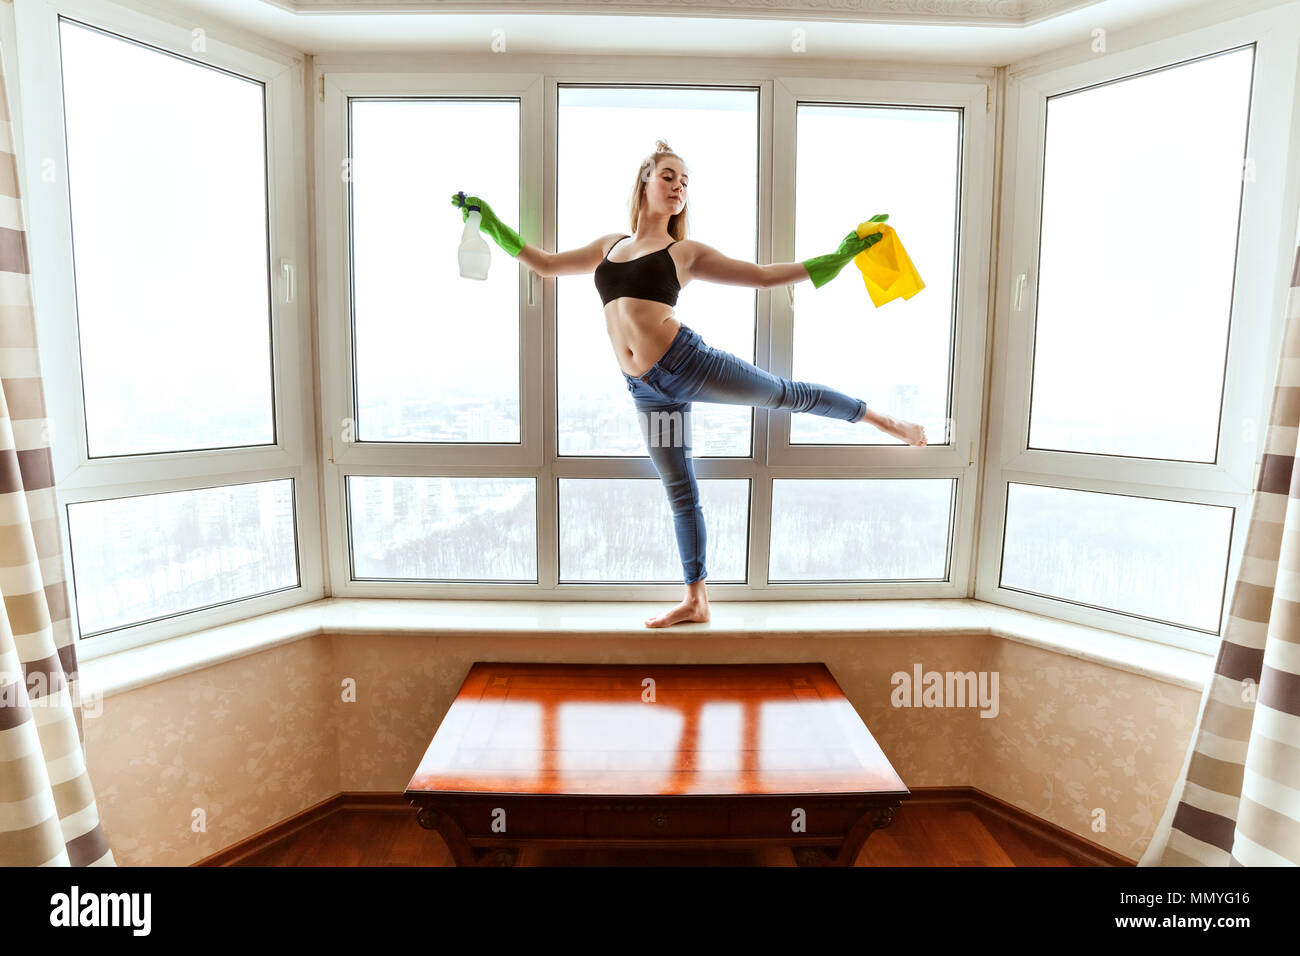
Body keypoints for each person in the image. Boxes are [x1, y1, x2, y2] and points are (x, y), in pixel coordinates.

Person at [451, 140, 927, 628]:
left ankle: (885, 420)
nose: (679, 187)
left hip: (690, 364)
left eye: (684, 183)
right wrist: (491, 225)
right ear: (644, 181)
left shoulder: (685, 253)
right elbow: (546, 265)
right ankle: (696, 599)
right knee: (679, 485)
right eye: (669, 177)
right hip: (648, 391)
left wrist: (838, 257)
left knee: (786, 394)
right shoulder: (607, 247)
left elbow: (763, 277)